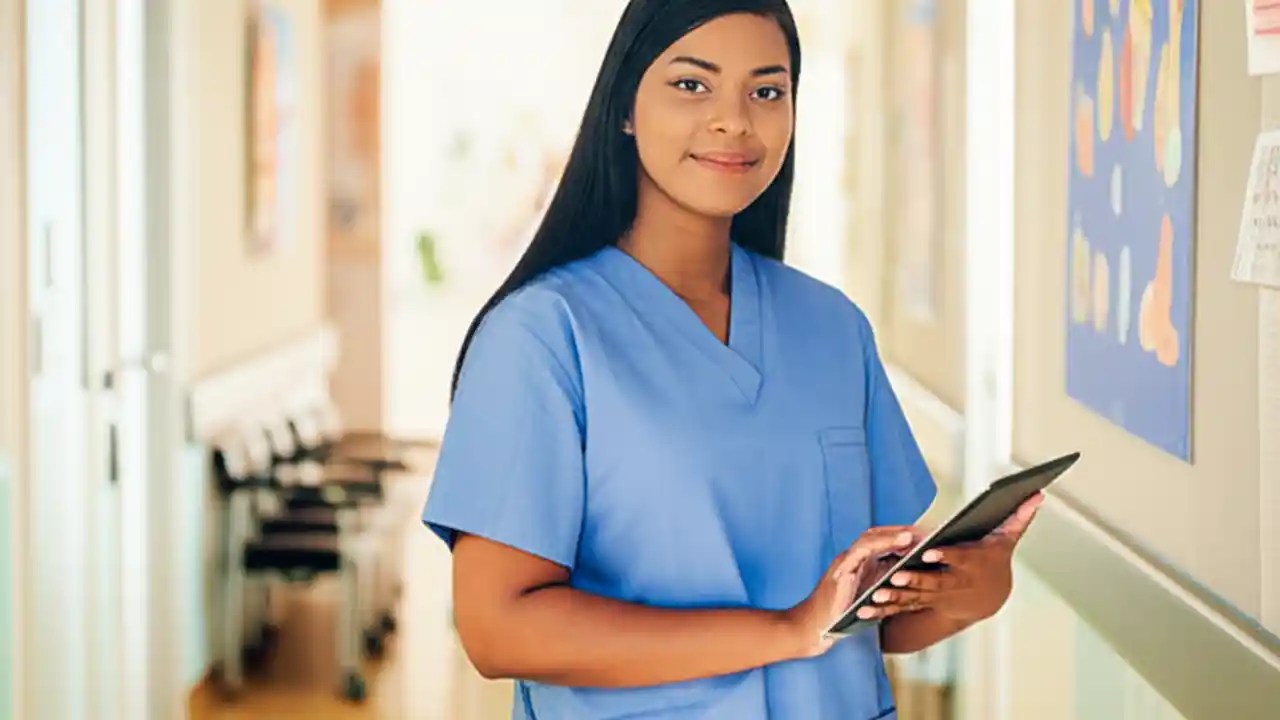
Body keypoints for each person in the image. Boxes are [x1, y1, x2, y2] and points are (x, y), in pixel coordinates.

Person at [422, 1, 1043, 717]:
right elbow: (499, 630)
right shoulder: (540, 336)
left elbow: (864, 618)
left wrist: (970, 594)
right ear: (623, 108)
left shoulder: (833, 328)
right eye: (693, 85)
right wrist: (782, 632)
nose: (734, 120)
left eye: (767, 90)